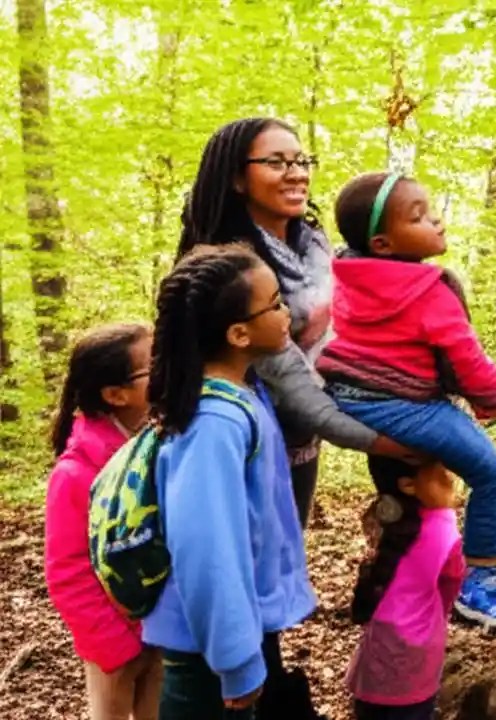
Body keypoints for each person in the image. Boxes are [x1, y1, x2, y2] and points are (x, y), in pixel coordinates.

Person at [315, 171, 496, 630]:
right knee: (494, 476)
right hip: (406, 404)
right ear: (382, 243)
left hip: (349, 397)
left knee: (417, 496)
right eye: (418, 216)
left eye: (432, 210)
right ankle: (483, 585)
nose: (436, 221)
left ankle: (410, 582)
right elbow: (466, 358)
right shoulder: (430, 290)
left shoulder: (349, 276)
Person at [176, 117, 415, 530]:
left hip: (303, 440)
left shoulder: (314, 244)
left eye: (302, 160)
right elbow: (287, 377)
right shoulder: (228, 270)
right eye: (277, 163)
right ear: (236, 179)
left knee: (287, 552)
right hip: (243, 439)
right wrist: (387, 442)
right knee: (252, 559)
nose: (298, 173)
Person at [141, 244, 317, 719]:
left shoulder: (242, 392)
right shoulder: (214, 422)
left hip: (229, 638)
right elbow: (207, 549)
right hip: (208, 658)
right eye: (275, 304)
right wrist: (236, 661)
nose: (287, 313)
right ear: (239, 333)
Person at [45, 323, 162, 720]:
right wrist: (117, 646)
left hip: (161, 632)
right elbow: (66, 572)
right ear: (115, 395)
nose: (166, 369)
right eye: (154, 365)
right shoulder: (75, 474)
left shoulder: (156, 446)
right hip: (113, 646)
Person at [346, 458, 464, 720]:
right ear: (408, 485)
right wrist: (438, 617)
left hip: (376, 648)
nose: (449, 476)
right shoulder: (445, 527)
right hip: (418, 655)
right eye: (438, 471)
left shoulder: (386, 519)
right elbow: (452, 580)